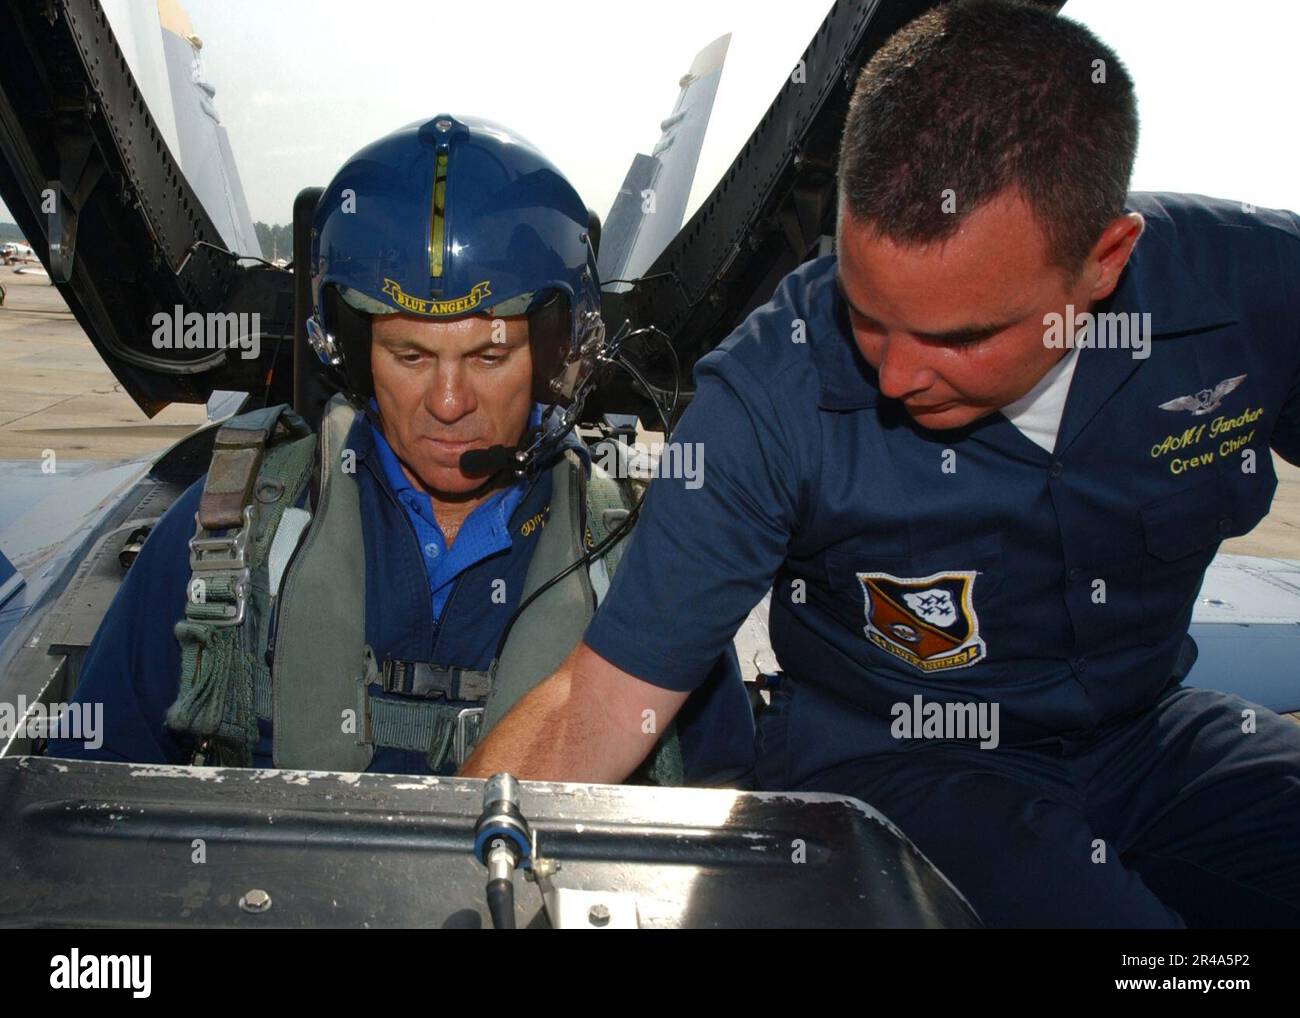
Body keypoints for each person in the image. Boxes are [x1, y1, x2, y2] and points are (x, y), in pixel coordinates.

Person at [461, 2, 1300, 927]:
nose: (897, 375)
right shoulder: (769, 397)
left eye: (961, 336)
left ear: (1104, 262)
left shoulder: (1254, 294)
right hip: (902, 762)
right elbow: (602, 695)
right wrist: (434, 882)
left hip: (1150, 738)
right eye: (866, 313)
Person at [49, 113, 753, 783]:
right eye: (409, 355)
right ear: (355, 358)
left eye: (488, 356)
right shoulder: (228, 534)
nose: (448, 404)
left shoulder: (640, 561)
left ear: (553, 358)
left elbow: (721, 823)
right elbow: (83, 792)